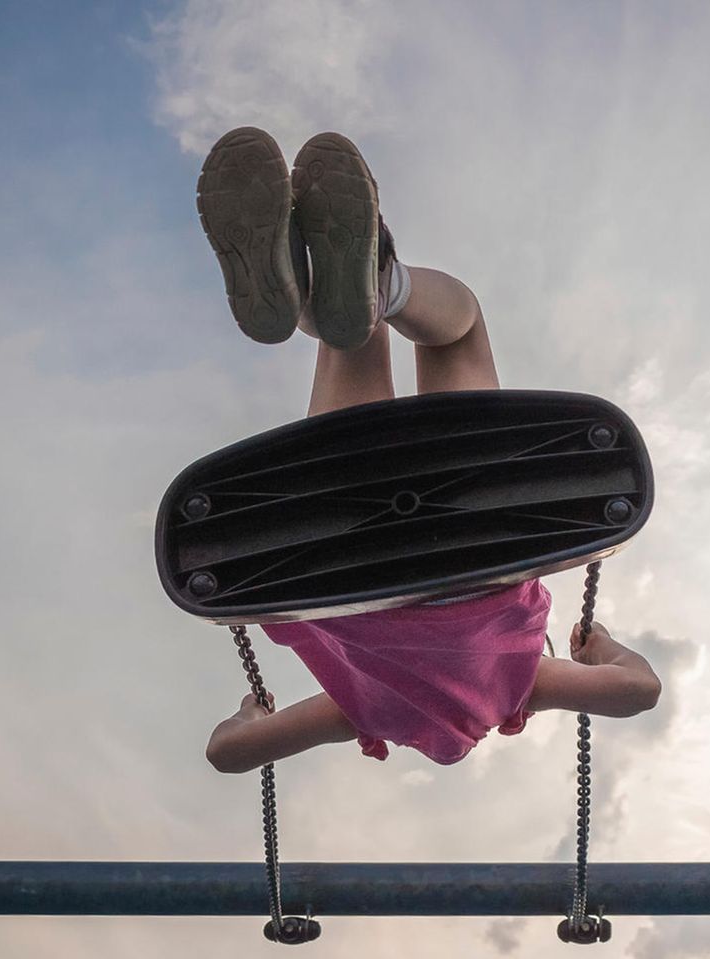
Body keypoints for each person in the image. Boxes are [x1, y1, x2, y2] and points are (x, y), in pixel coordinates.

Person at [197, 128, 661, 774]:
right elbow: (228, 752)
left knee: (458, 326)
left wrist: (601, 647)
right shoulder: (359, 710)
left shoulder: (521, 684)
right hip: (349, 558)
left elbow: (640, 689)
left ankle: (387, 286)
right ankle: (309, 298)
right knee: (348, 341)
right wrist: (253, 716)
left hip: (482, 535)